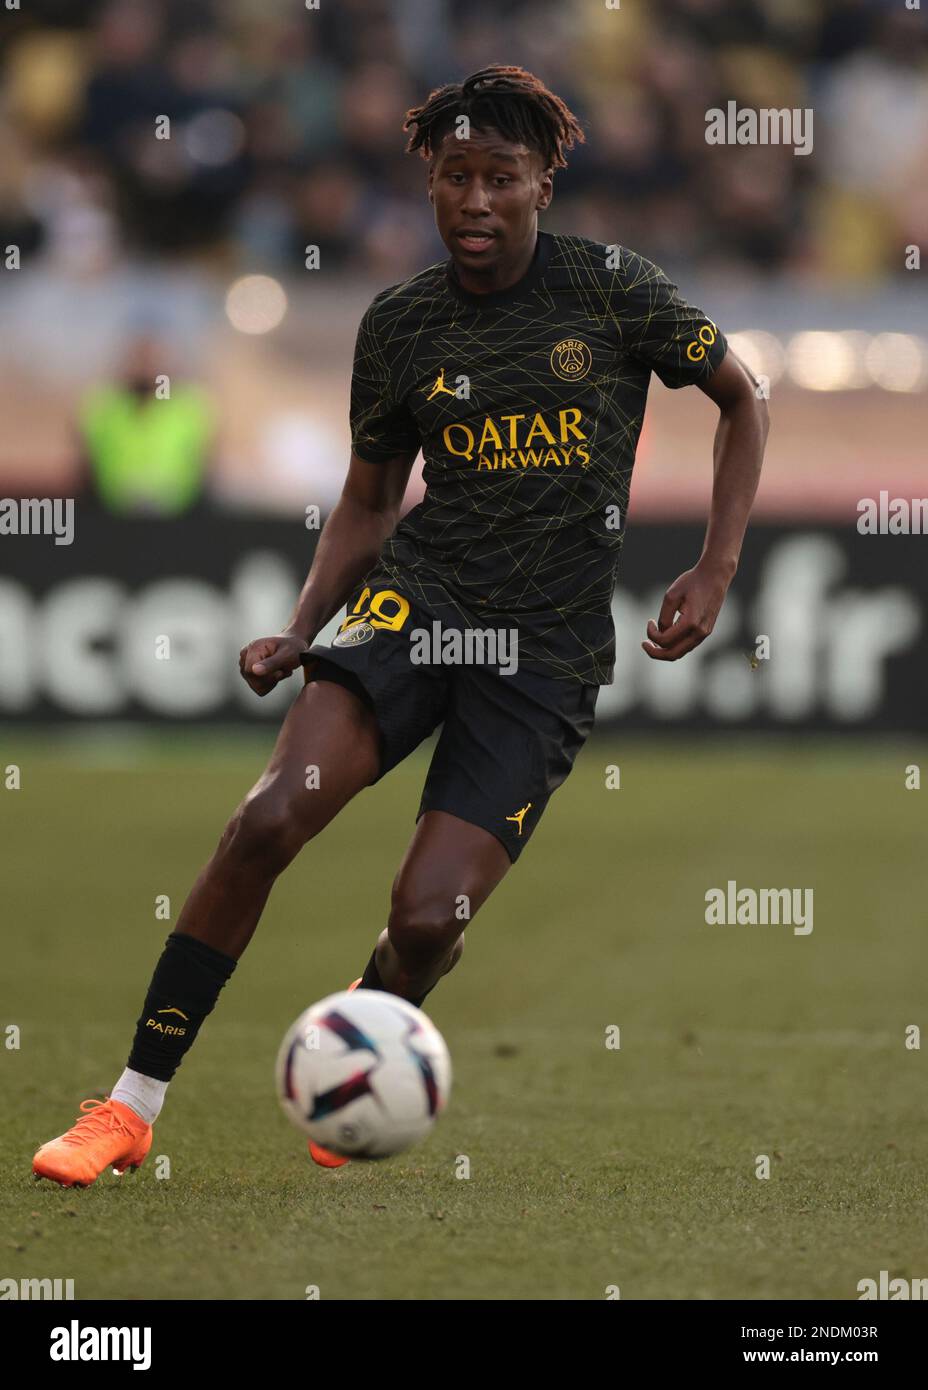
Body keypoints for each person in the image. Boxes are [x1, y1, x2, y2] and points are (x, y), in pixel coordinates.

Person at [33, 64, 768, 1186]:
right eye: (453, 177)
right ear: (427, 183)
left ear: (542, 185)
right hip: (413, 611)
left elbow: (742, 399)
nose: (474, 199)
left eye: (500, 178)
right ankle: (129, 1106)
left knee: (428, 918)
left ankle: (365, 1046)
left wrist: (715, 566)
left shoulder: (615, 290)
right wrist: (298, 628)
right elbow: (370, 504)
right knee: (268, 816)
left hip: (546, 656)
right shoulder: (402, 323)